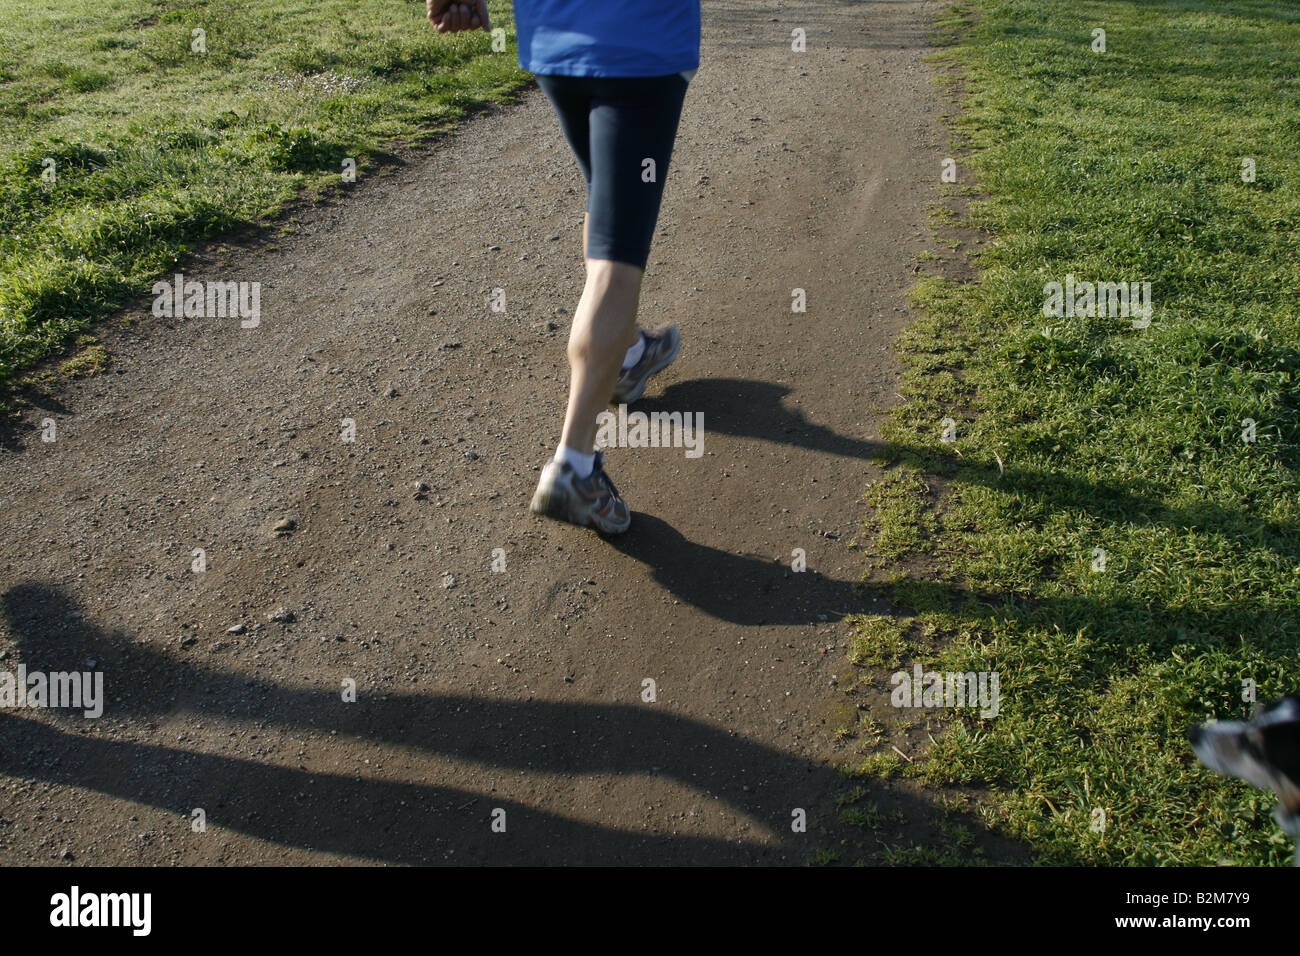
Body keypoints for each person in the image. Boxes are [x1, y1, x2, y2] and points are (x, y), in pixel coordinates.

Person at [428, 0, 700, 534]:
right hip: (639, 48)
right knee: (618, 262)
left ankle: (625, 357)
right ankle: (574, 464)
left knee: (604, 198)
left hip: (555, 44)